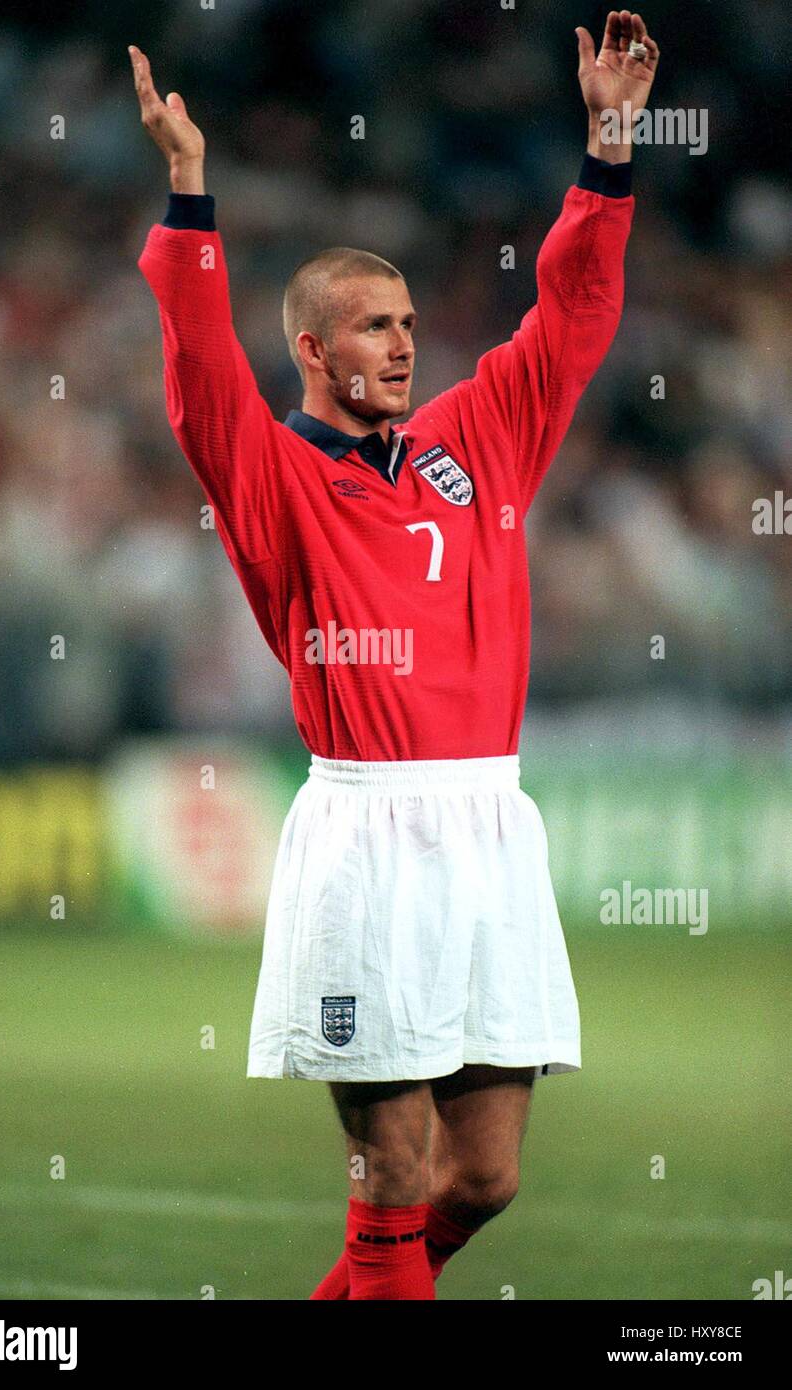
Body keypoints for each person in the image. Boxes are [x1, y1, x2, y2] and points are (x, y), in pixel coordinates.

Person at [130, 9, 659, 1300]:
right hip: (367, 839)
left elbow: (570, 318)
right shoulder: (273, 477)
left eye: (410, 321)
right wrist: (191, 194)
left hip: (489, 826)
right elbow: (200, 376)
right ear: (310, 349)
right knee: (393, 1175)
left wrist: (606, 149)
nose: (404, 342)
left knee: (481, 1179)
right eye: (372, 326)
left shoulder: (474, 442)